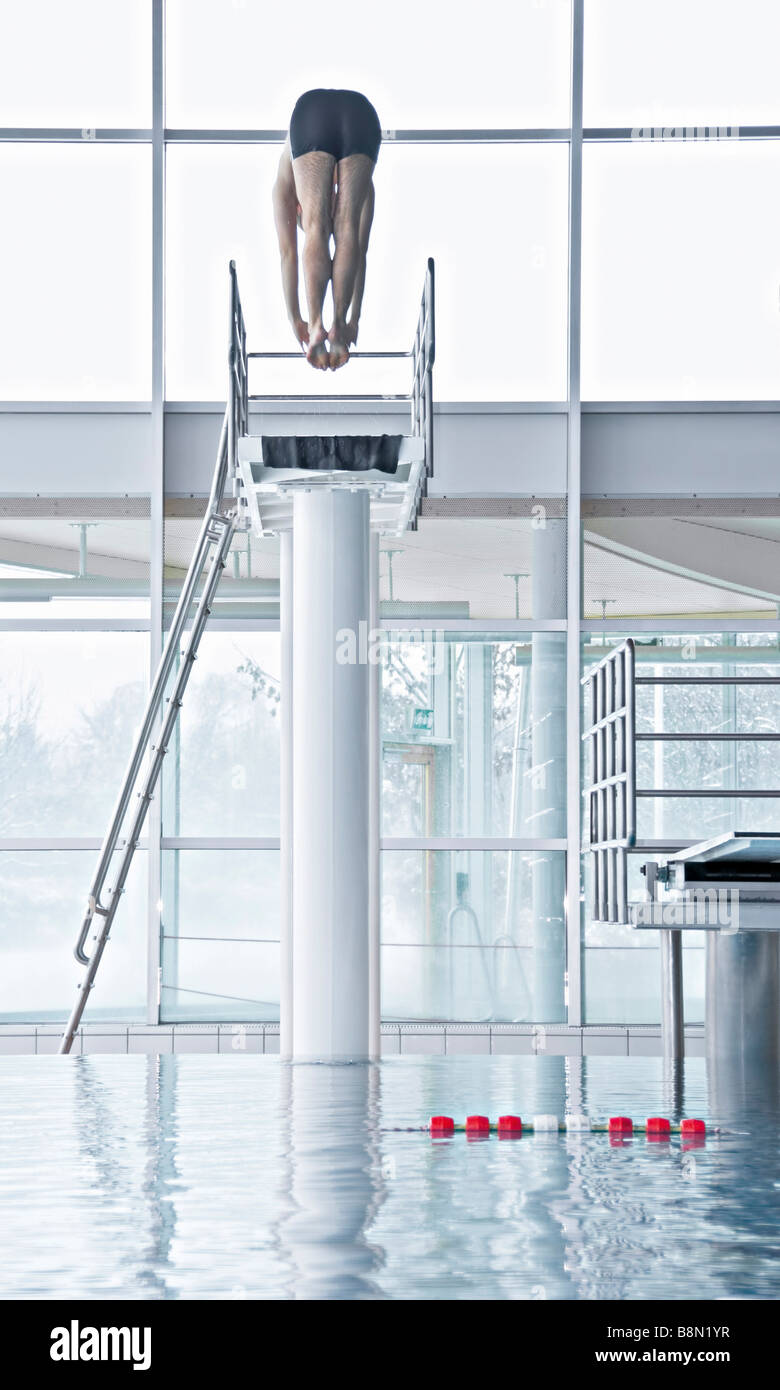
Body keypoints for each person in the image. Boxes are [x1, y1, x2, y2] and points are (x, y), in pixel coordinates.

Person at [272, 89, 381, 370]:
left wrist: (297, 318)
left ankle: (320, 324)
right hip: (362, 117)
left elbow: (288, 254)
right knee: (346, 230)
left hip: (312, 114)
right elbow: (359, 250)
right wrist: (351, 321)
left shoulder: (285, 186)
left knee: (316, 228)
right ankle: (336, 326)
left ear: (297, 209)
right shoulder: (365, 189)